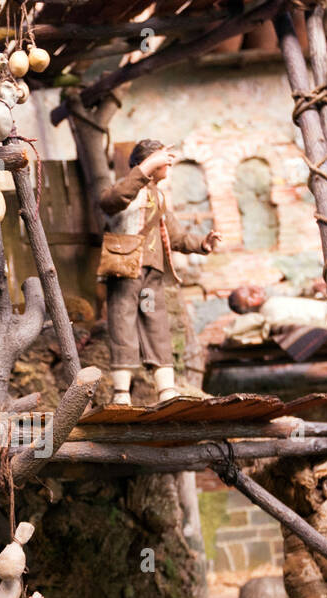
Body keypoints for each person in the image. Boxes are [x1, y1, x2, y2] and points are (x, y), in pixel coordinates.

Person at [99, 140, 220, 405]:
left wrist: (202, 243)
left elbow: (176, 236)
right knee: (123, 324)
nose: (168, 162)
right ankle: (122, 393)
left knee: (156, 325)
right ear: (147, 162)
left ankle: (166, 388)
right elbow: (110, 201)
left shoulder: (159, 197)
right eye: (162, 158)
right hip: (125, 270)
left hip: (151, 276)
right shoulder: (127, 189)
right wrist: (144, 170)